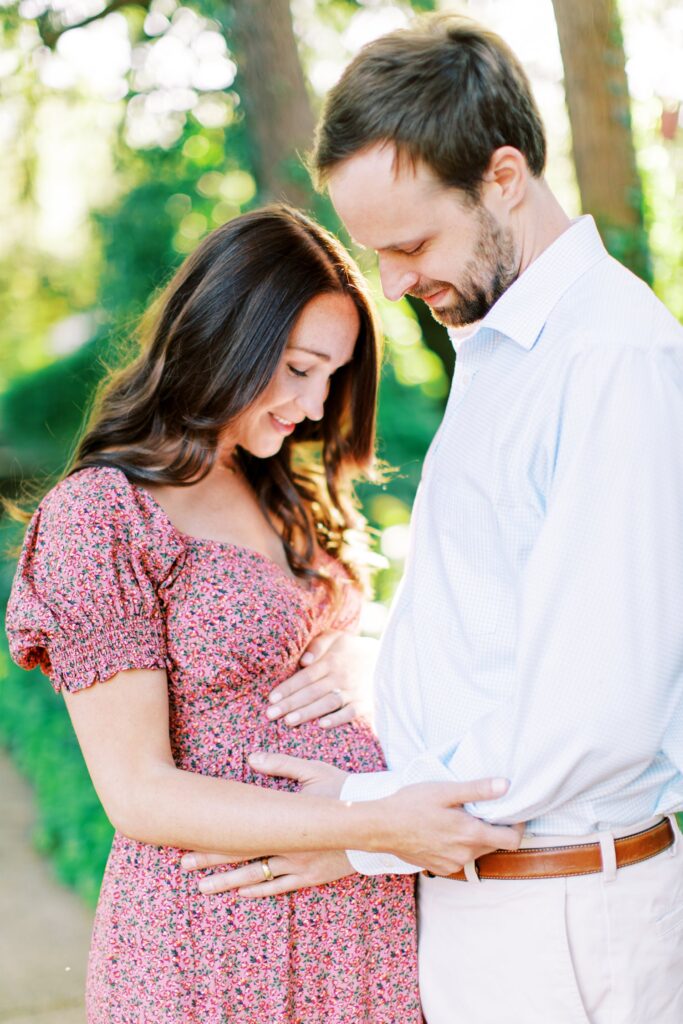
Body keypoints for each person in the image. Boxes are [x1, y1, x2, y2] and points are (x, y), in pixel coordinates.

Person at [184, 17, 683, 1024]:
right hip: (491, 903)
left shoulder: (610, 359)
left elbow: (595, 711)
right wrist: (373, 666)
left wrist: (358, 821)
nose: (394, 284)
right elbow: (511, 630)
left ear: (502, 176)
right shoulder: (503, 349)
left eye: (410, 245)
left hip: (560, 917)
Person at [5, 204, 519, 1022]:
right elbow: (137, 792)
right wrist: (377, 824)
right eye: (298, 368)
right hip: (215, 941)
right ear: (224, 336)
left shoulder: (281, 488)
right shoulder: (103, 515)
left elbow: (335, 655)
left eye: (331, 376)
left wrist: (364, 662)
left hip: (358, 930)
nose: (314, 405)